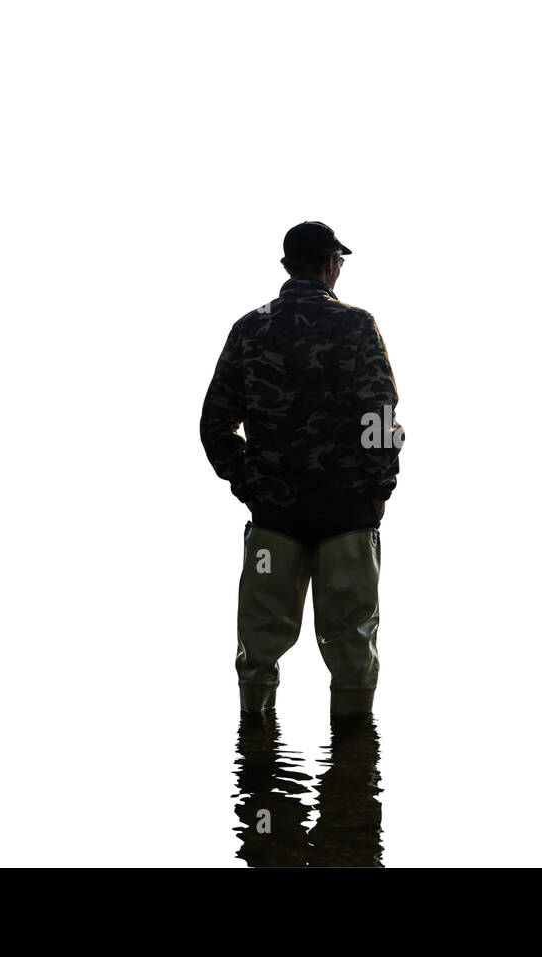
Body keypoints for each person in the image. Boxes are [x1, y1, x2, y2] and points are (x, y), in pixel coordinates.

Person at [200, 221, 403, 715]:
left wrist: (248, 485)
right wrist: (380, 487)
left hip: (274, 521)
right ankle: (354, 770)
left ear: (288, 265)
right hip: (347, 516)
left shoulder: (250, 328)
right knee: (352, 647)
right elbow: (379, 415)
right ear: (332, 262)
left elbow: (215, 424)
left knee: (259, 647)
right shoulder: (357, 325)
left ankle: (255, 768)